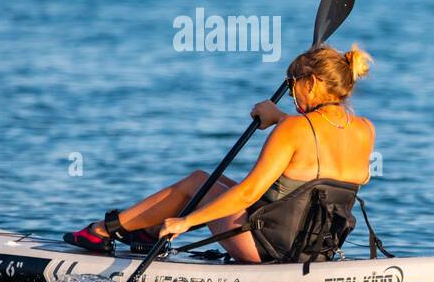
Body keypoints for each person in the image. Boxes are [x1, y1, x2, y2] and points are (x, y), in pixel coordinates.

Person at [64, 44, 374, 263]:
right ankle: (142, 232)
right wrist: (280, 118)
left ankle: (106, 230)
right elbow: (320, 155)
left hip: (263, 247)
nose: (292, 94)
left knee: (198, 182)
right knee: (207, 180)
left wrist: (186, 223)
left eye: (294, 85)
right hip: (317, 251)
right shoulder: (364, 130)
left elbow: (247, 194)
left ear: (314, 83)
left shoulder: (293, 130)